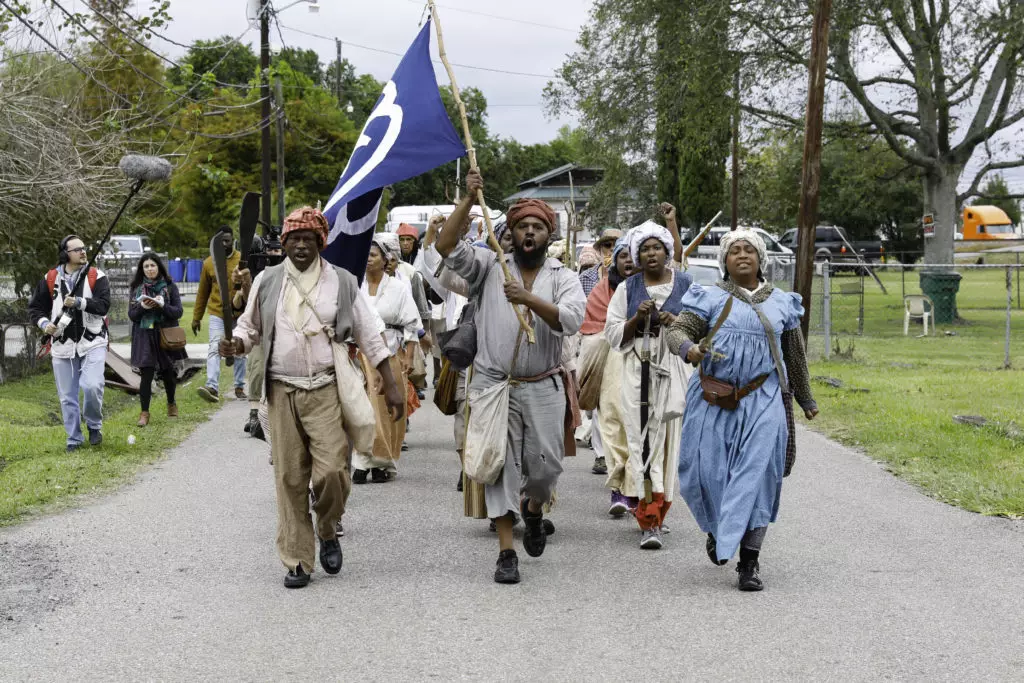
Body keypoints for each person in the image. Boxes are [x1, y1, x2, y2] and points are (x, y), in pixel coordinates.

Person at [220, 206, 404, 589]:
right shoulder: (268, 281)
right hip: (280, 389)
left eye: (308, 239)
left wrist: (391, 381)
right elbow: (248, 327)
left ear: (320, 242)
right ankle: (298, 560)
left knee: (333, 472)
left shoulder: (342, 281)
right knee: (289, 477)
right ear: (284, 243)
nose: (300, 245)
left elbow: (369, 332)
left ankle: (327, 528)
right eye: (293, 239)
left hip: (324, 388)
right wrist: (236, 343)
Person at [436, 170, 586, 584]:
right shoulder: (489, 266)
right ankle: (506, 552)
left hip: (543, 385)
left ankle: (534, 509)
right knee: (498, 465)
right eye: (522, 226)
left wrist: (528, 299)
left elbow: (572, 320)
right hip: (492, 384)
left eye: (537, 227)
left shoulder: (563, 277)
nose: (529, 233)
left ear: (548, 235)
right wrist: (468, 199)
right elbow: (445, 246)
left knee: (546, 470)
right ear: (512, 233)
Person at [667, 229, 818, 591]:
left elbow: (794, 355)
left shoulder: (782, 302)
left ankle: (748, 562)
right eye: (734, 250)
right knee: (709, 473)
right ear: (725, 261)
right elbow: (677, 331)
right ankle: (720, 529)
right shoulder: (710, 296)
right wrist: (689, 349)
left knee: (758, 477)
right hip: (713, 399)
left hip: (764, 398)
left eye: (749, 249)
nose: (742, 255)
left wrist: (806, 399)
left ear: (761, 258)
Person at [604, 222, 693, 550]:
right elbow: (612, 335)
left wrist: (678, 323)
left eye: (657, 247)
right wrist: (634, 320)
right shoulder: (627, 288)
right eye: (644, 249)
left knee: (668, 445)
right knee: (644, 443)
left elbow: (700, 326)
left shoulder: (685, 283)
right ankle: (648, 519)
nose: (651, 253)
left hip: (673, 370)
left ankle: (661, 510)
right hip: (637, 370)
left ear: (667, 252)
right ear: (636, 254)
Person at [28, 235, 110, 452]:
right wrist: (45, 324)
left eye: (84, 248)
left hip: (93, 341)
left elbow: (103, 306)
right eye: (77, 250)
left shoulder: (96, 276)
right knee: (67, 397)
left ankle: (94, 425)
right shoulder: (50, 278)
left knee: (92, 386)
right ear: (66, 254)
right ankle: (74, 439)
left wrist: (80, 302)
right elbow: (35, 308)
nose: (83, 252)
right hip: (62, 346)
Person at [353, 234, 421, 484]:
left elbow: (413, 323)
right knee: (360, 409)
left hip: (389, 352)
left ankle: (381, 461)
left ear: (386, 259)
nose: (368, 260)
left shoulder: (398, 287)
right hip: (357, 355)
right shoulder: (354, 286)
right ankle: (361, 459)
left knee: (383, 410)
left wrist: (410, 356)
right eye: (366, 256)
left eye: (373, 256)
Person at [578, 236, 636, 515]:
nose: (627, 259)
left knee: (642, 427)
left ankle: (640, 491)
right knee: (612, 422)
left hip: (647, 363)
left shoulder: (655, 287)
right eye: (621, 254)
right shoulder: (603, 289)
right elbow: (592, 327)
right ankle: (618, 490)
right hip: (612, 358)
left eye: (630, 254)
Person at [128, 253, 187, 427]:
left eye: (152, 265)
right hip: (144, 334)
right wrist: (142, 307)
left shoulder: (169, 286)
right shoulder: (136, 288)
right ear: (142, 270)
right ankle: (144, 413)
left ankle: (171, 403)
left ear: (159, 267)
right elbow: (132, 315)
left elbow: (178, 312)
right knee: (146, 373)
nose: (149, 269)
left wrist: (163, 306)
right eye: (146, 266)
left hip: (165, 333)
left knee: (168, 371)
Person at [192, 226, 248, 403]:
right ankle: (212, 387)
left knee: (240, 349)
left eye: (228, 240)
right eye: (221, 241)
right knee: (214, 347)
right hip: (217, 312)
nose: (224, 244)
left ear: (233, 240)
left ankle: (239, 386)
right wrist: (196, 317)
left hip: (239, 313)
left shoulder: (242, 260)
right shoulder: (209, 263)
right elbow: (203, 292)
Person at [243, 232, 285, 438]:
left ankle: (271, 416)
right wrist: (244, 283)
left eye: (278, 249)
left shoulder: (290, 271)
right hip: (261, 328)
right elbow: (242, 305)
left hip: (284, 331)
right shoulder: (258, 273)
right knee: (257, 369)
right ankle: (254, 415)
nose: (274, 253)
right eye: (271, 249)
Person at [578, 227, 623, 297]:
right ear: (599, 250)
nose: (612, 249)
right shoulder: (585, 278)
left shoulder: (631, 277)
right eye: (607, 245)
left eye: (617, 245)